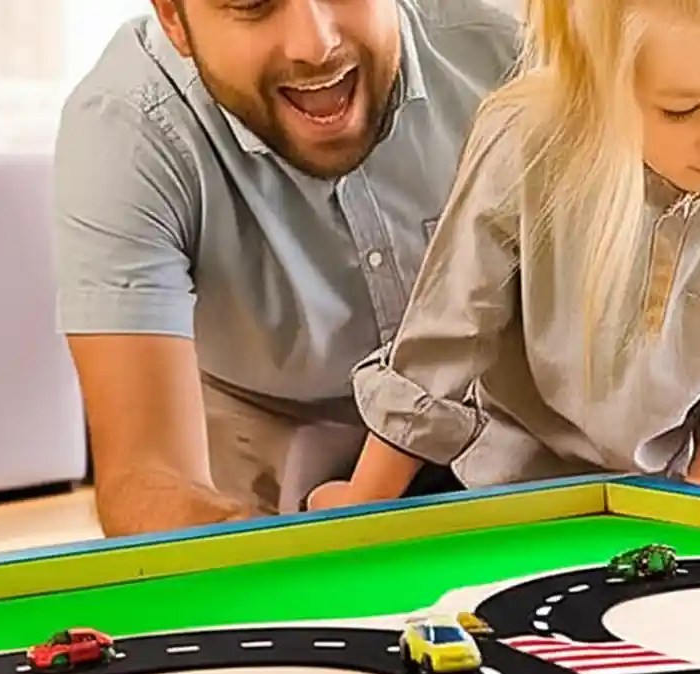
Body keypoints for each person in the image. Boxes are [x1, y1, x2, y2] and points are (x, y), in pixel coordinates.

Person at [305, 0, 700, 511]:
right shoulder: (526, 147)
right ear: (598, 90)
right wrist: (365, 499)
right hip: (509, 486)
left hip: (672, 486)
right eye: (681, 110)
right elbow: (447, 335)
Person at [51, 0, 520, 536]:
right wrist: (275, 554)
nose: (317, 46)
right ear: (174, 19)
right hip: (270, 510)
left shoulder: (508, 57)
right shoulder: (127, 132)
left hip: (513, 489)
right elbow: (148, 476)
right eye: (252, 4)